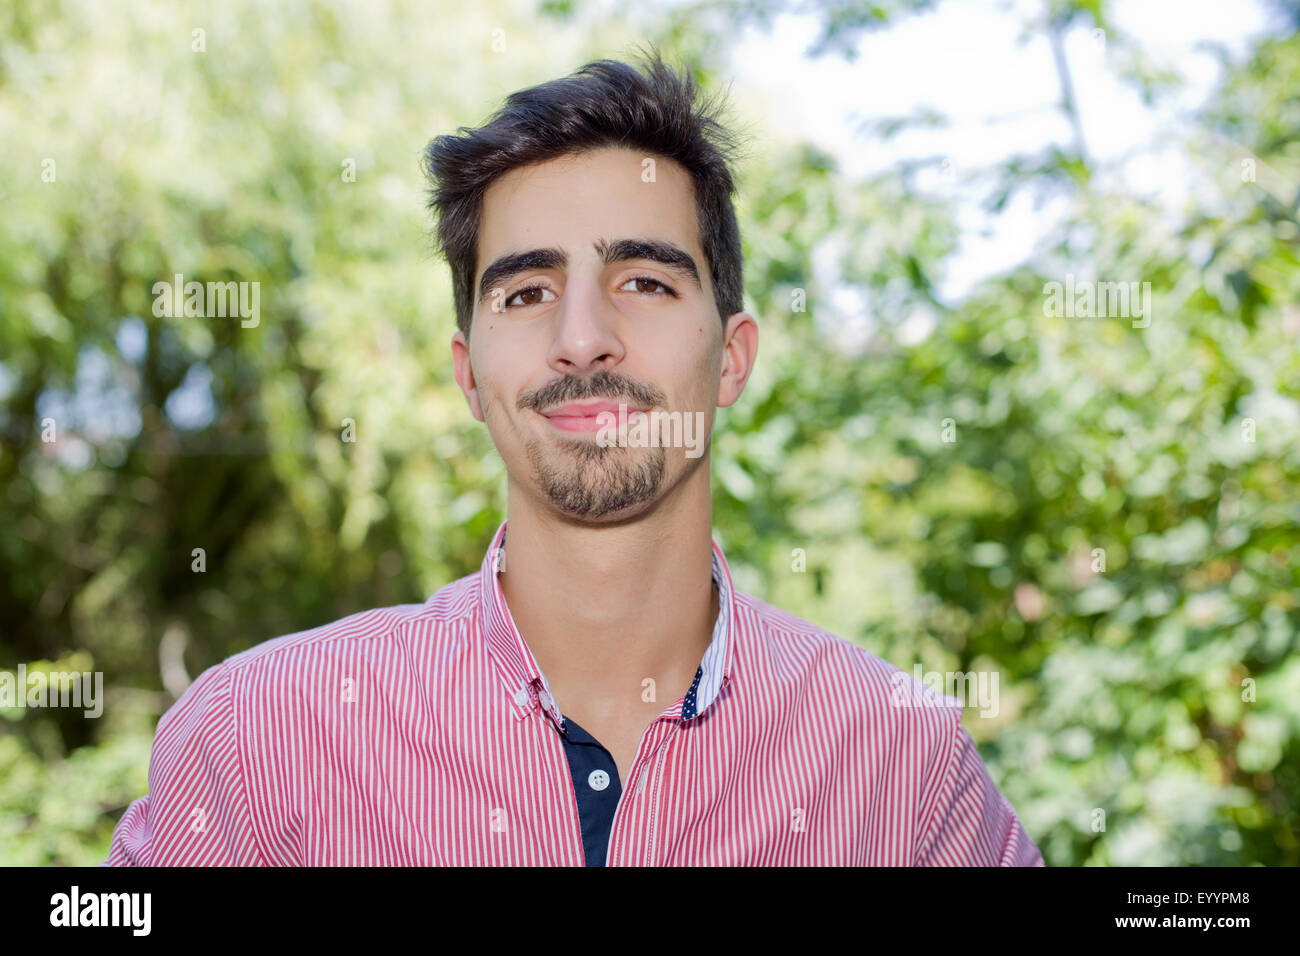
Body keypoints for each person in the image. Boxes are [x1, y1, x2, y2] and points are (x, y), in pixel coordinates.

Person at [104, 47, 1043, 866]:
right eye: (525, 292)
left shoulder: (897, 760)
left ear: (732, 358)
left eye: (643, 280)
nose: (584, 338)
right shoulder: (259, 739)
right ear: (471, 377)